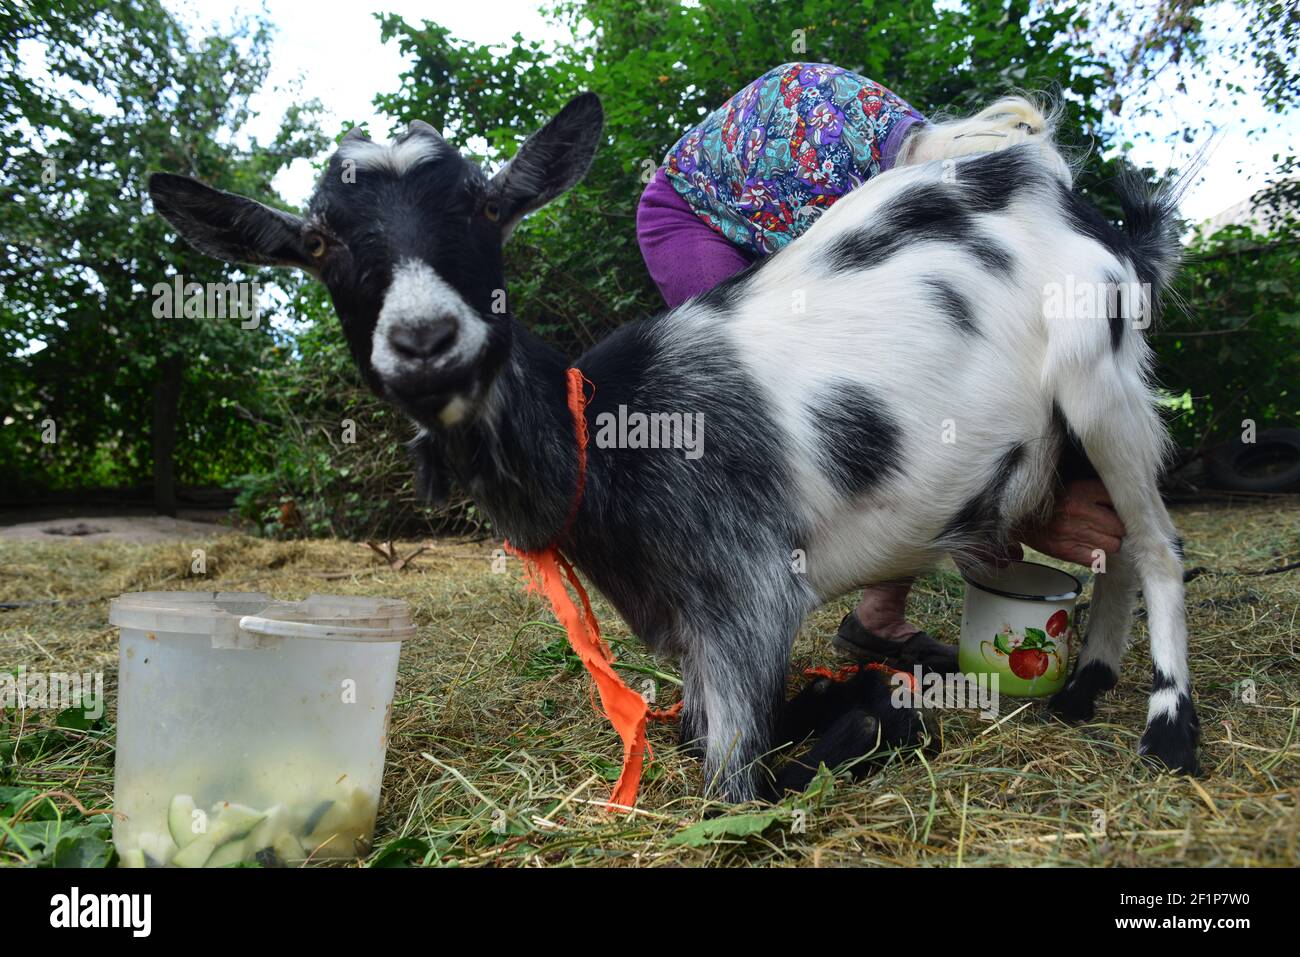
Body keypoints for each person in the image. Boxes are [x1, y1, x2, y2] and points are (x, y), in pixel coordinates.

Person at [635, 62, 1125, 675]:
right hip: (695, 221)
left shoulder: (924, 161)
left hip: (789, 222)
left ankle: (876, 623)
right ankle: (721, 618)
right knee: (774, 415)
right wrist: (1029, 511)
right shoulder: (862, 181)